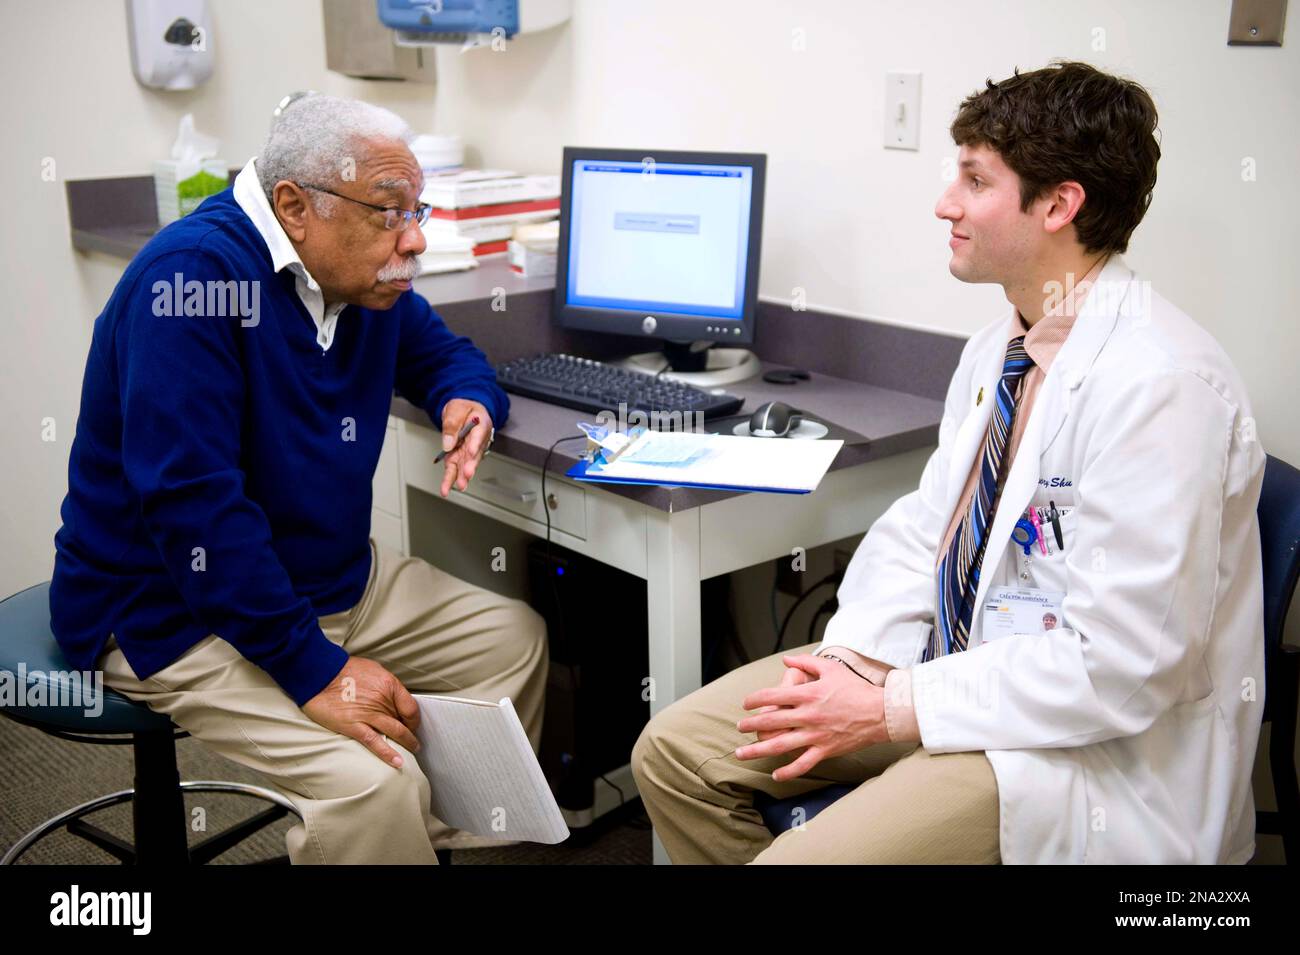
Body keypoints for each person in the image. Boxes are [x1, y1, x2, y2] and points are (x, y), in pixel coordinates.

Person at [632, 62, 1265, 864]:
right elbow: (928, 530)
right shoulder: (1001, 346)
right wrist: (849, 664)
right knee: (675, 754)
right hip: (957, 684)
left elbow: (1125, 669)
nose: (945, 203)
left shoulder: (1163, 385)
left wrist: (892, 705)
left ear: (1060, 204)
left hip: (1081, 752)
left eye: (974, 179)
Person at [50, 94, 547, 864]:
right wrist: (317, 669)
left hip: (331, 581)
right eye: (389, 213)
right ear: (293, 206)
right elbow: (196, 516)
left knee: (510, 642)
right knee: (373, 785)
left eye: (415, 211)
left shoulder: (363, 273)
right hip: (175, 608)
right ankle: (386, 830)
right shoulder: (190, 282)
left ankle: (435, 846)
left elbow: (445, 353)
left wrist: (465, 399)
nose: (412, 240)